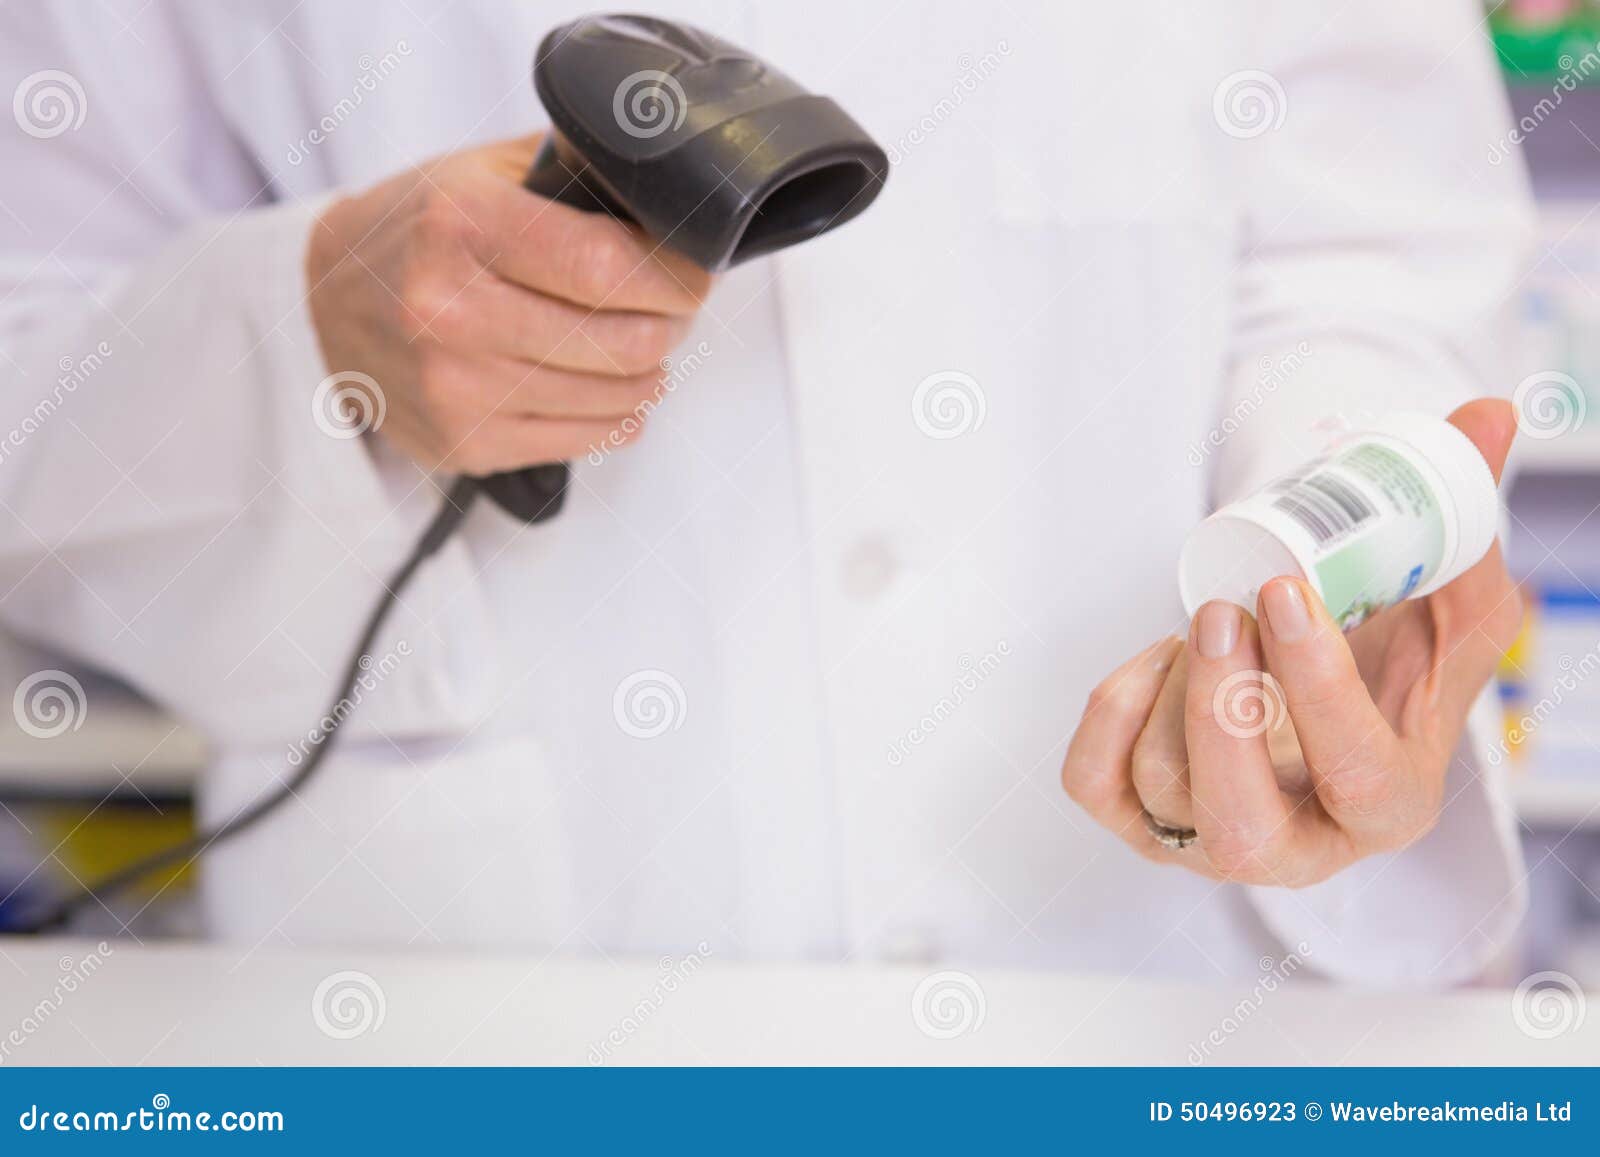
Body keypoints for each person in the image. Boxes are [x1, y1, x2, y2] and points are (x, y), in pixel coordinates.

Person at [0, 1, 1534, 983]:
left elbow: (1362, 257)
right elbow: (31, 356)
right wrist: (308, 322)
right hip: (481, 996)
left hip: (1138, 996)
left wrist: (1329, 563)